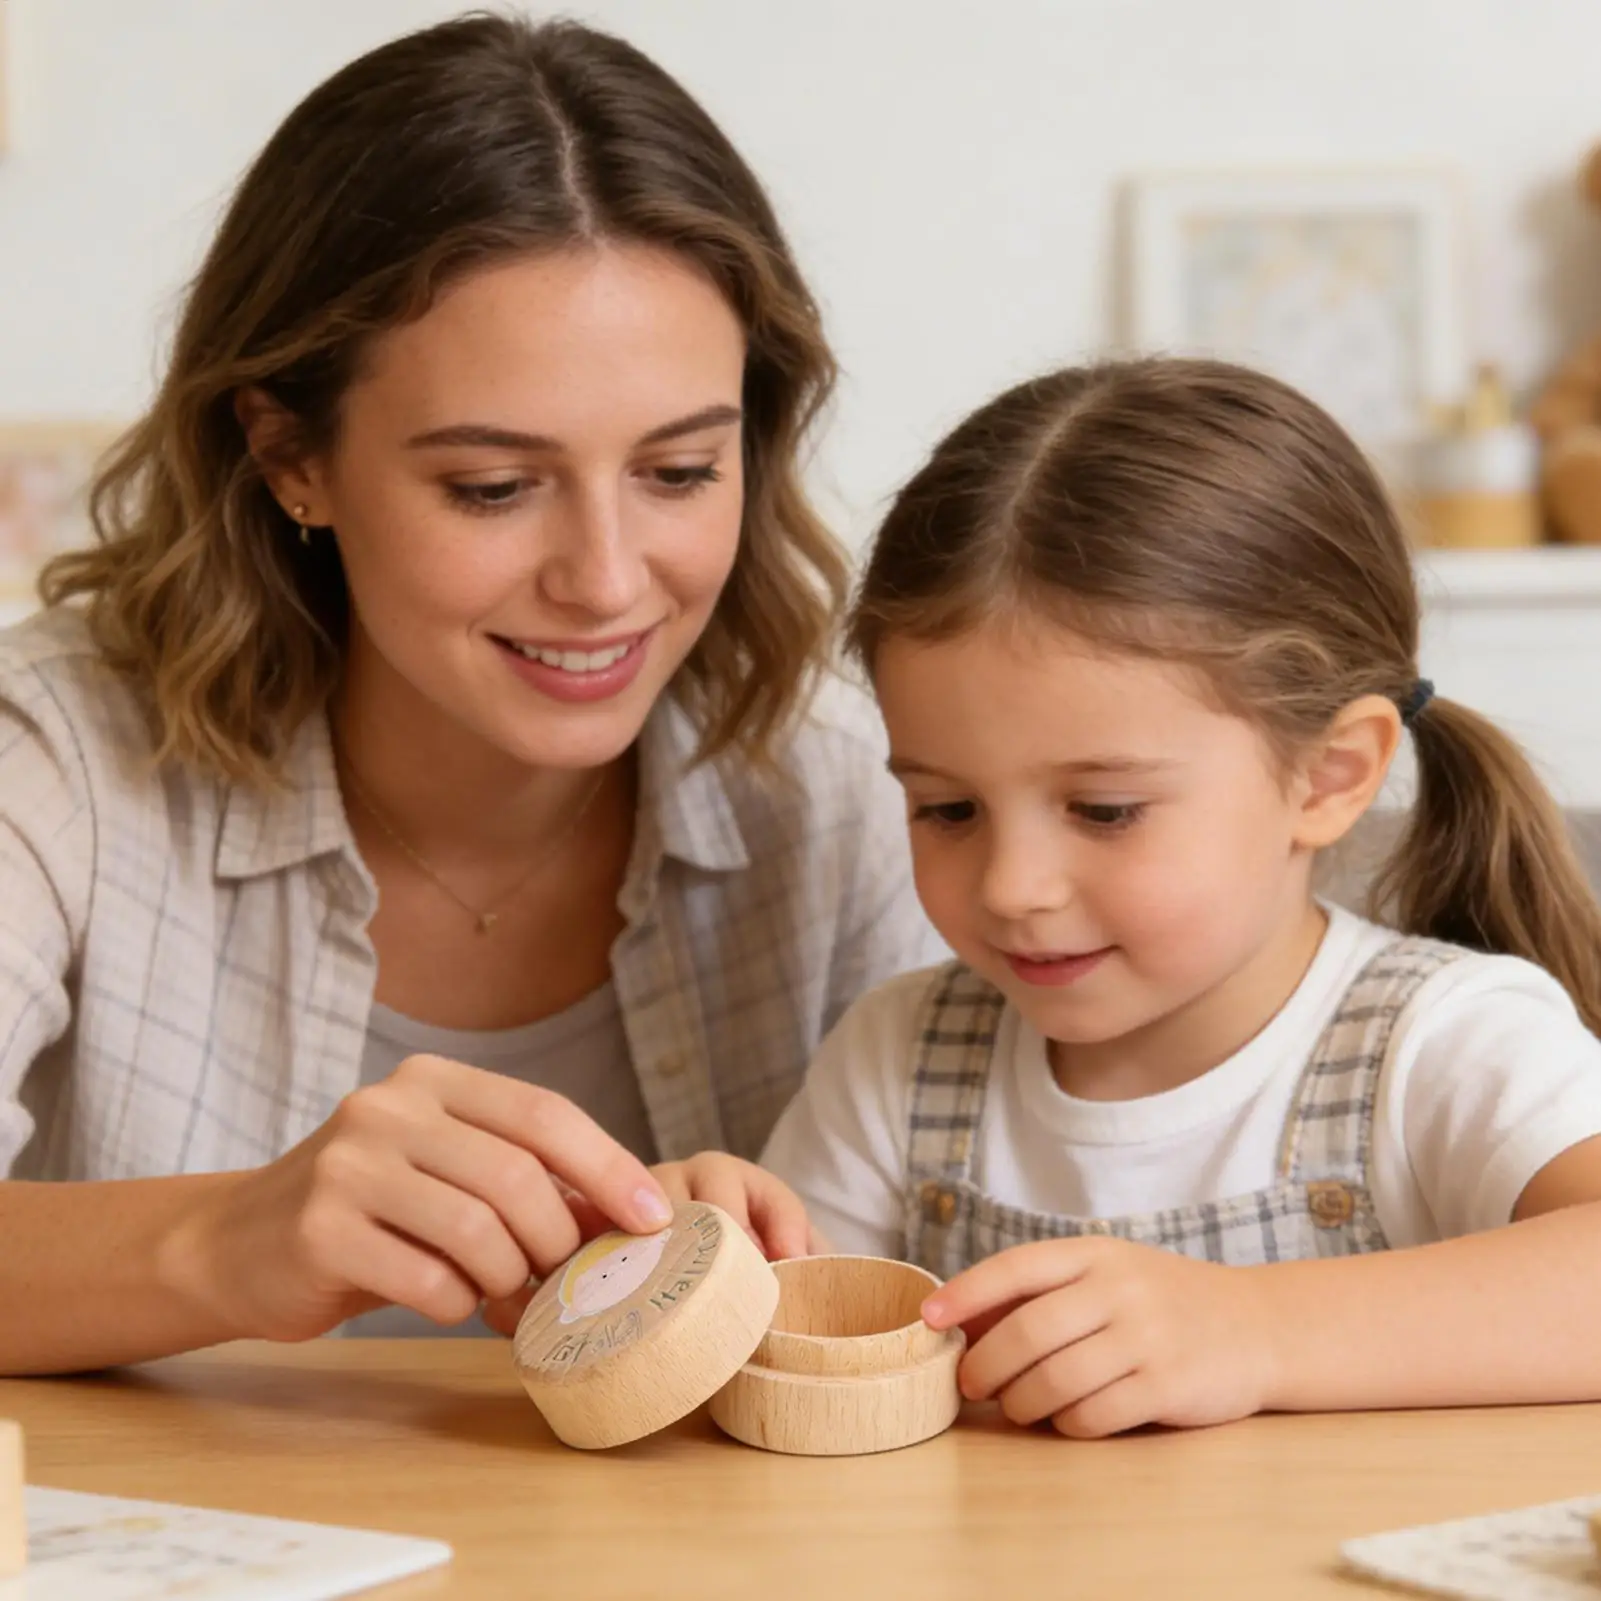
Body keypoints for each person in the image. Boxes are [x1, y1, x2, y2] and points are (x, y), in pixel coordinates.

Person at [0, 13, 941, 1373]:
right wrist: (229, 1242)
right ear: (288, 456)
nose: (607, 581)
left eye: (679, 471)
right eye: (493, 488)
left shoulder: (854, 787)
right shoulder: (58, 766)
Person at [714, 356, 1601, 1438]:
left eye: (1104, 809)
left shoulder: (1441, 1040)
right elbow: (784, 1366)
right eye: (947, 810)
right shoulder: (896, 1059)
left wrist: (1255, 1329)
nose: (1012, 887)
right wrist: (692, 1271)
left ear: (1327, 774)